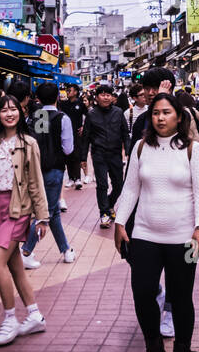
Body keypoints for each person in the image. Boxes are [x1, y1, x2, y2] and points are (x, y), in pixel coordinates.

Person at [112, 93, 199, 352]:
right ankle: (154, 351)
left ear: (179, 117)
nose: (160, 118)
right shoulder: (142, 148)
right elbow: (131, 189)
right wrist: (120, 222)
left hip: (185, 238)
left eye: (167, 112)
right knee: (142, 293)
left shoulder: (193, 150)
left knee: (182, 299)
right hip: (144, 234)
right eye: (155, 113)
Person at [0, 93, 52, 346]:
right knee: (15, 265)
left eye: (14, 109)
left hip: (18, 210)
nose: (9, 114)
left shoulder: (29, 143)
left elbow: (36, 182)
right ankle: (35, 315)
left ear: (21, 112)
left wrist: (43, 218)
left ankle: (10, 319)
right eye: (4, 110)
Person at [21, 82, 76, 267]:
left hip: (34, 170)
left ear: (38, 98)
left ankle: (66, 249)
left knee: (51, 212)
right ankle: (26, 251)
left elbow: (38, 143)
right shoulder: (62, 118)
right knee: (47, 213)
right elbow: (68, 149)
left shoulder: (34, 118)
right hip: (54, 169)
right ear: (57, 97)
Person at [82, 83, 128, 227]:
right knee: (102, 184)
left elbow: (125, 133)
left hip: (115, 154)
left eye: (108, 94)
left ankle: (109, 203)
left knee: (119, 185)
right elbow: (86, 137)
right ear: (97, 97)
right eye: (103, 94)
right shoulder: (91, 114)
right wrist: (83, 158)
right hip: (99, 153)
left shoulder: (118, 112)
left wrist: (128, 150)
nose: (106, 97)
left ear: (112, 97)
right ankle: (104, 213)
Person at [60, 84, 88, 191]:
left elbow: (88, 116)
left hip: (76, 133)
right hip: (65, 133)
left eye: (70, 90)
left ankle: (78, 179)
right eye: (67, 91)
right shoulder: (63, 104)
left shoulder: (80, 104)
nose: (68, 92)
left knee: (77, 155)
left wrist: (83, 127)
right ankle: (71, 178)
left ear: (76, 92)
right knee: (68, 155)